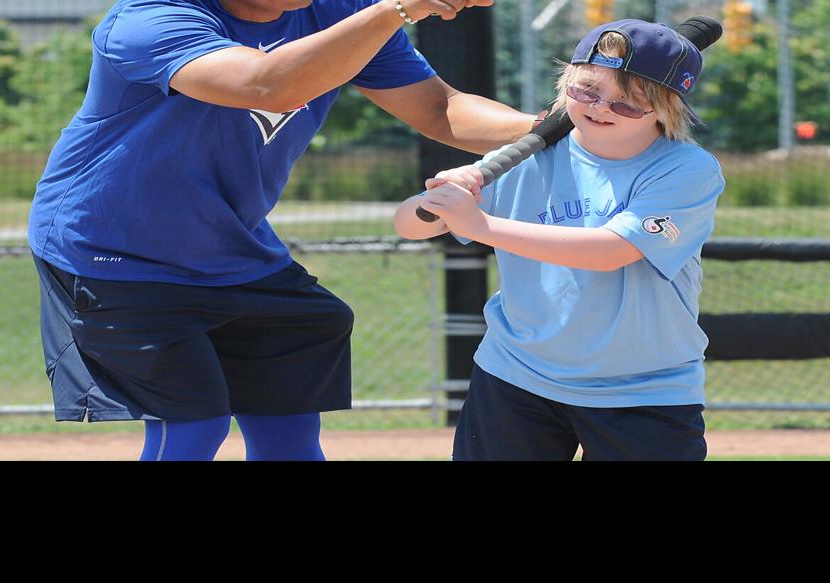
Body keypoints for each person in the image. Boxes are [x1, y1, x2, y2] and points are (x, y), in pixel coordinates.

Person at [30, 0, 535, 460]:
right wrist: (400, 9)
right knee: (194, 427)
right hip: (114, 253)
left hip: (235, 250)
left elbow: (438, 111)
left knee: (289, 430)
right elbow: (266, 84)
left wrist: (566, 121)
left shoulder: (344, 11)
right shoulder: (149, 18)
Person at [394, 18, 725, 461]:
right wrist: (443, 196)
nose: (601, 108)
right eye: (586, 91)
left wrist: (480, 226)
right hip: (516, 376)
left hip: (643, 388)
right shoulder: (526, 159)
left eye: (627, 104)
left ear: (667, 110)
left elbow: (612, 250)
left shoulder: (685, 170)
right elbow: (407, 224)